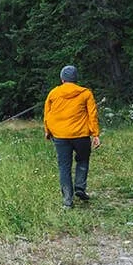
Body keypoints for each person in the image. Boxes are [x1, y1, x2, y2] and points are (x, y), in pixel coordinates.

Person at [43, 64, 101, 209]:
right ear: (76, 79)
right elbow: (92, 115)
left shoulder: (53, 93)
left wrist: (47, 131)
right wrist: (95, 134)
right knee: (82, 160)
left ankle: (68, 201)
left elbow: (47, 114)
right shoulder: (85, 93)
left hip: (60, 136)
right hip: (81, 135)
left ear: (62, 79)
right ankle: (80, 187)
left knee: (64, 167)